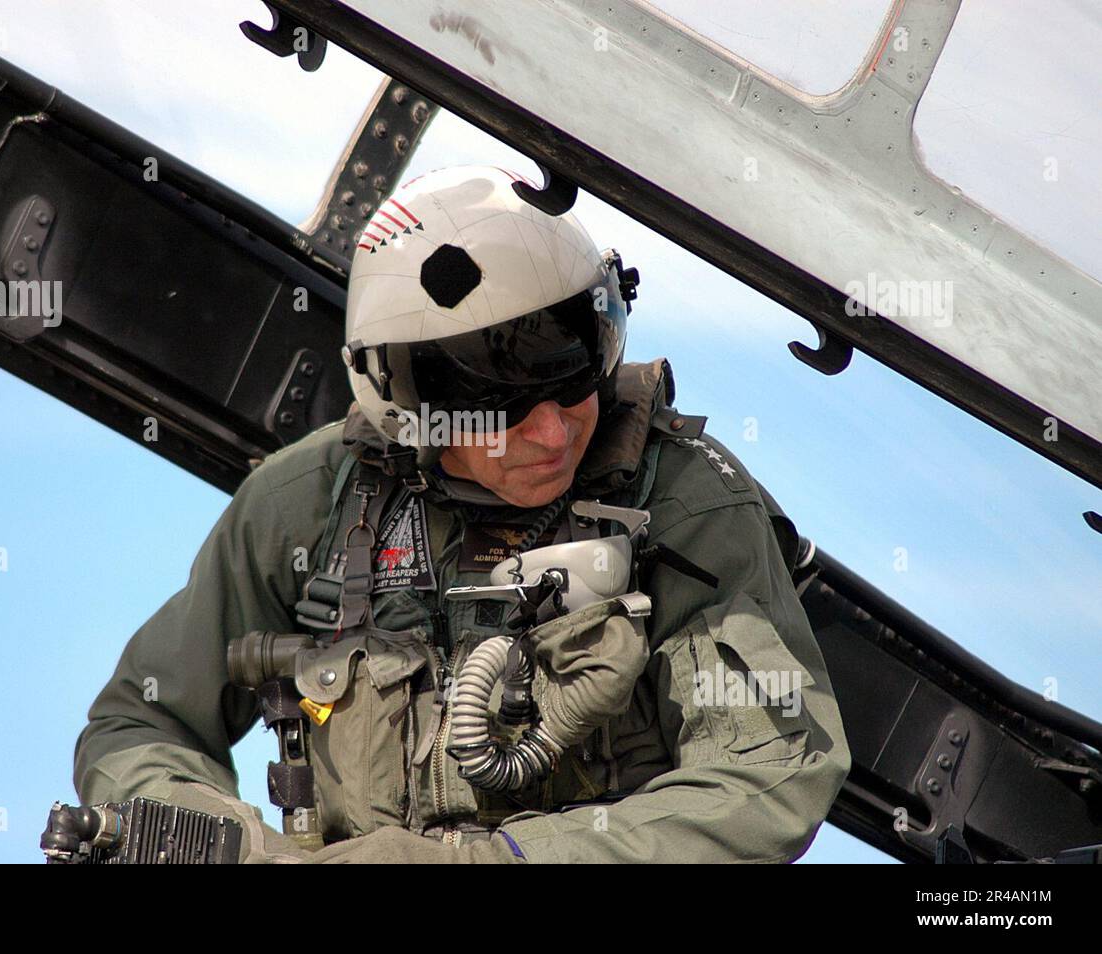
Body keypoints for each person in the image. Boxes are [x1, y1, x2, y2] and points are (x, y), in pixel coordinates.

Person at [72, 165, 851, 863]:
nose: (551, 435)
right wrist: (225, 843)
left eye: (570, 386)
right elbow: (141, 724)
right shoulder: (308, 505)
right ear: (411, 408)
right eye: (503, 410)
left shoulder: (683, 505)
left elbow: (770, 775)